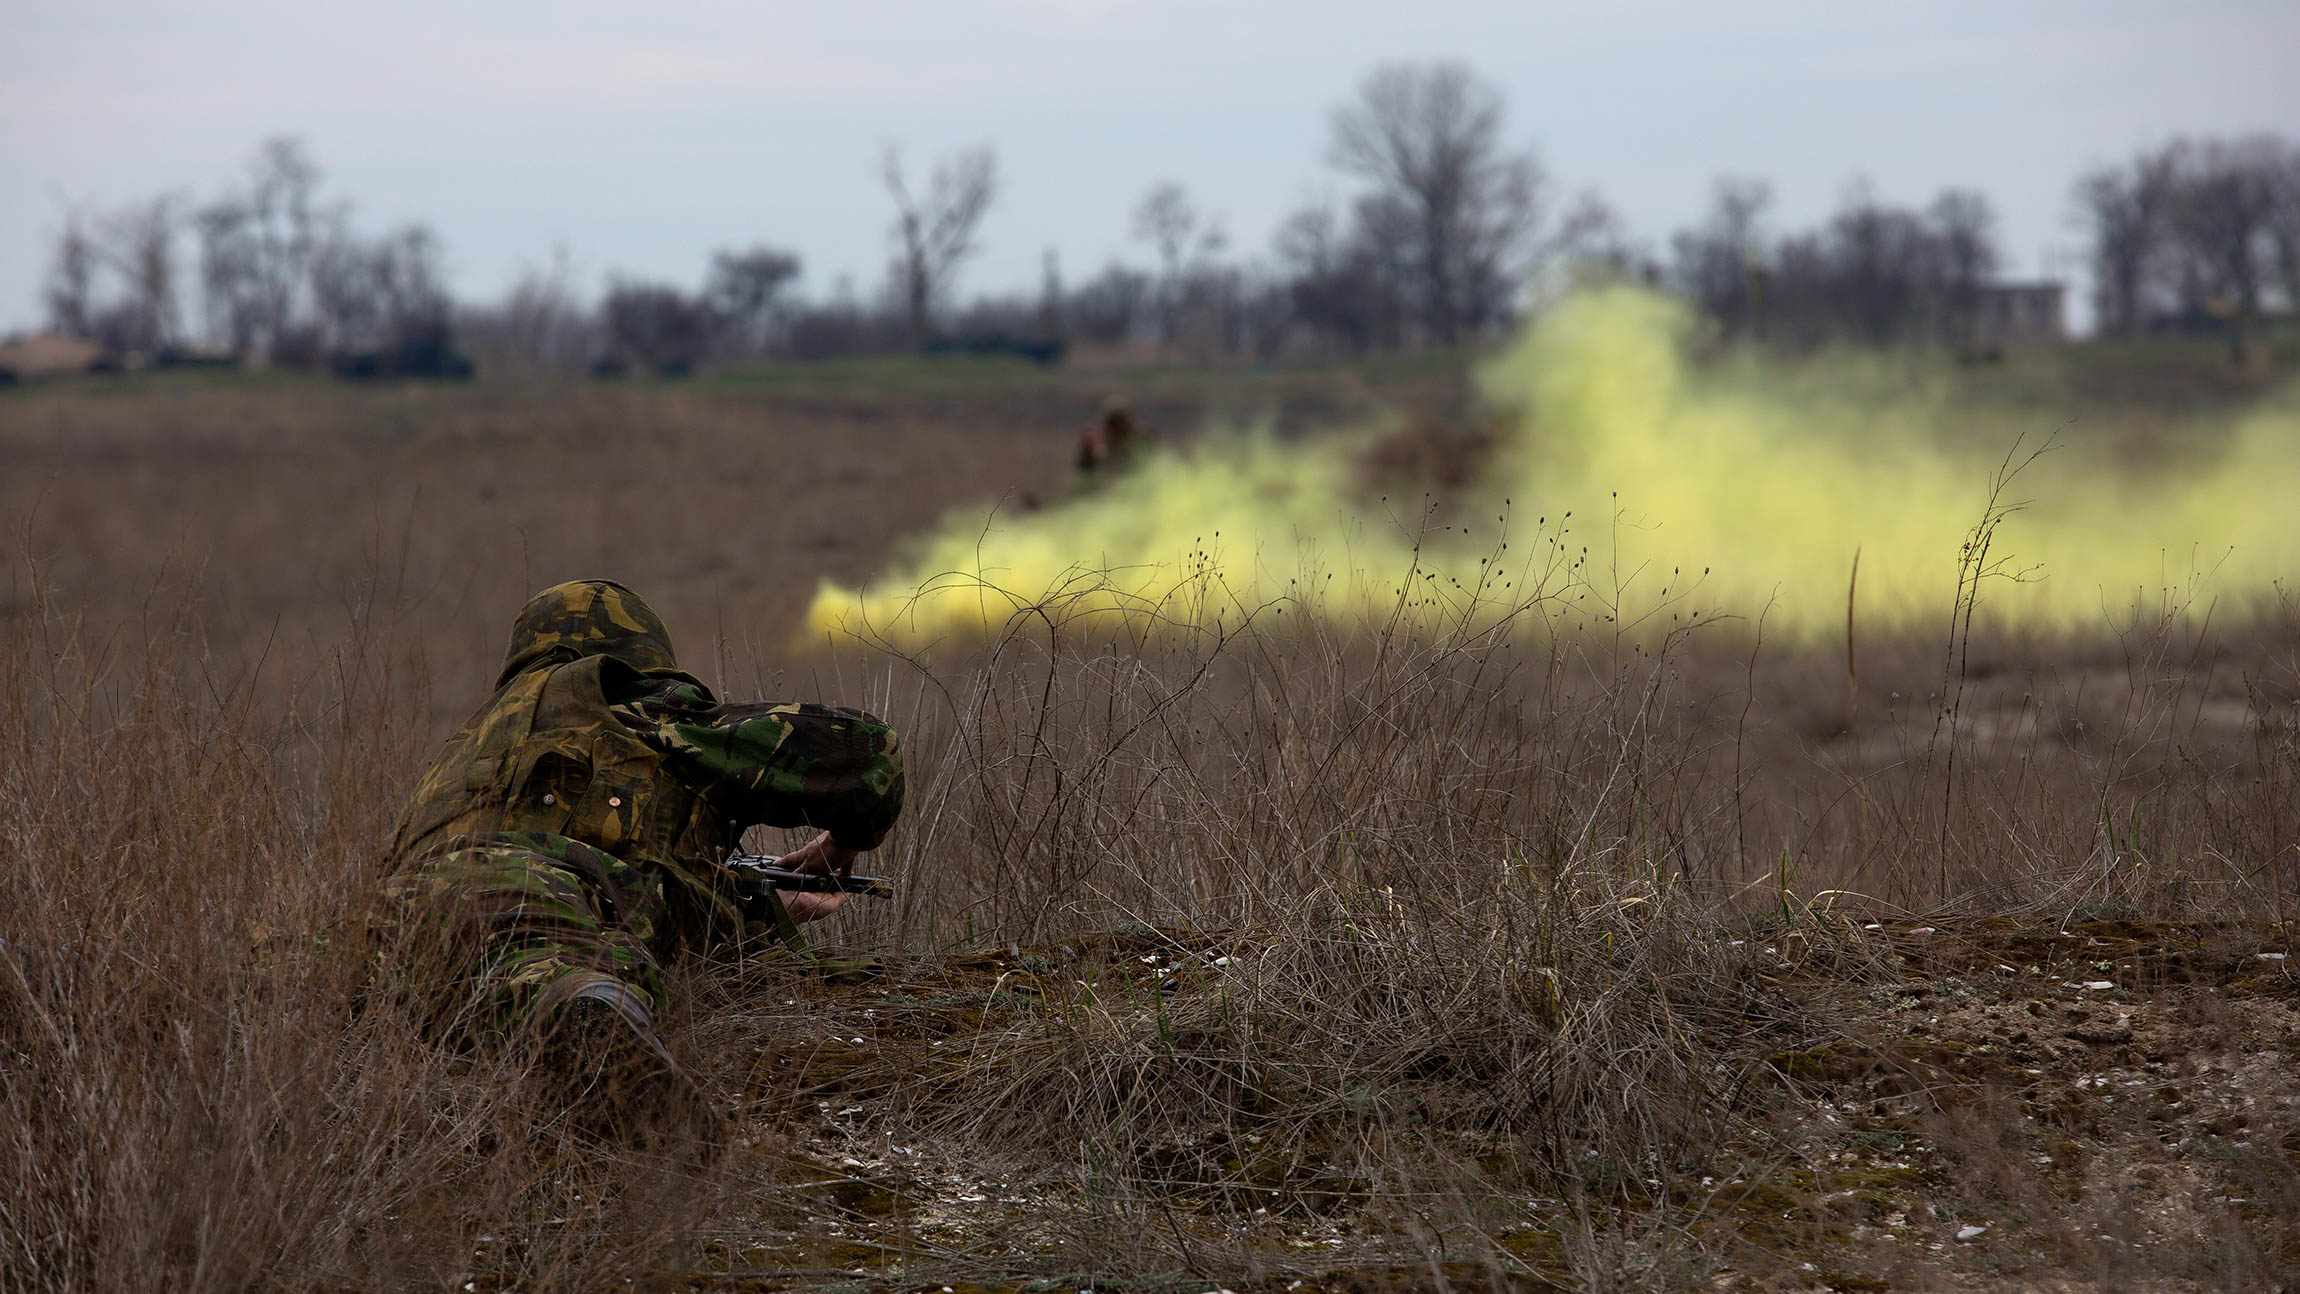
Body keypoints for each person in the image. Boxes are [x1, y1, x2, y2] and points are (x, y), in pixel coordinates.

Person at [378, 579, 903, 1145]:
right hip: (536, 901)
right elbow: (872, 757)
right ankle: (610, 1054)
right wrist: (844, 842)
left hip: (391, 925)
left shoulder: (457, 759)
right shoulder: (644, 717)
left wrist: (766, 911)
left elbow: (651, 875)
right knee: (564, 986)